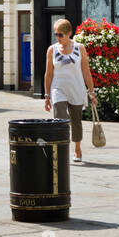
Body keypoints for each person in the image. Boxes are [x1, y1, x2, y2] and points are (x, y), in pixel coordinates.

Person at [43, 18, 97, 163]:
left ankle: (78, 149)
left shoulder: (80, 48)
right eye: (56, 34)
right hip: (58, 88)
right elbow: (48, 74)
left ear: (69, 34)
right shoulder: (52, 50)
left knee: (76, 121)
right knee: (60, 118)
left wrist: (91, 92)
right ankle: (61, 149)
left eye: (61, 34)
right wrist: (47, 96)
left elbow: (86, 72)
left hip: (76, 88)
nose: (58, 38)